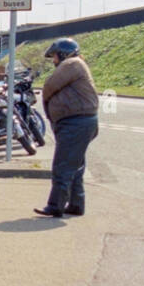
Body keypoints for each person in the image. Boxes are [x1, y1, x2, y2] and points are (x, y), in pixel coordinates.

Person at [34, 38, 99, 218]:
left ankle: (55, 205)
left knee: (62, 166)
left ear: (63, 53)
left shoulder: (72, 64)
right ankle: (76, 204)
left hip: (75, 123)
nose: (53, 60)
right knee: (75, 165)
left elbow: (49, 86)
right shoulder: (76, 64)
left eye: (54, 56)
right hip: (81, 122)